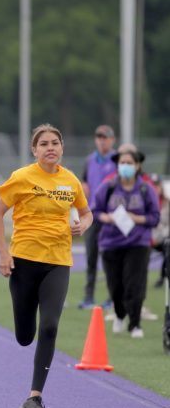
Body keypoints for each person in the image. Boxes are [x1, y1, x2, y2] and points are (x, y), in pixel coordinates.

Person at [0, 124, 92, 408]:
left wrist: (83, 224)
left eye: (55, 143)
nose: (50, 147)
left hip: (58, 262)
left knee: (49, 326)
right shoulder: (22, 177)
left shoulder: (70, 180)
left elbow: (86, 213)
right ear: (34, 150)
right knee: (25, 335)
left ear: (61, 148)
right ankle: (25, 332)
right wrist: (2, 253)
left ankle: (34, 397)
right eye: (44, 143)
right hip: (23, 261)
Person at [91, 145, 160, 338]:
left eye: (130, 163)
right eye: (122, 163)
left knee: (134, 284)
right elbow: (94, 211)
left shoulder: (146, 189)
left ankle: (135, 324)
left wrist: (136, 218)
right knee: (115, 285)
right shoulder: (108, 186)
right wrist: (107, 217)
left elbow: (154, 217)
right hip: (111, 242)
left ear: (137, 166)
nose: (126, 166)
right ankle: (119, 314)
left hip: (138, 243)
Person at [78, 124, 117, 309]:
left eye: (105, 137)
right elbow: (84, 181)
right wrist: (84, 186)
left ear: (112, 140)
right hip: (92, 214)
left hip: (111, 216)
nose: (102, 140)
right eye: (99, 136)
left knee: (111, 258)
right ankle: (88, 297)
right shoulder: (89, 160)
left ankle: (112, 297)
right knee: (91, 258)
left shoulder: (118, 160)